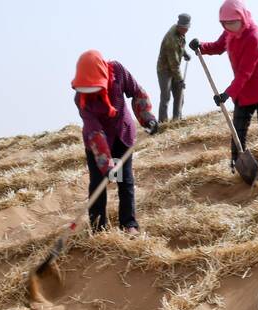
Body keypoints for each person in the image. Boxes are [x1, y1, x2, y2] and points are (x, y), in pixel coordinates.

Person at [72, 50, 159, 235]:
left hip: (122, 133)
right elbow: (95, 132)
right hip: (97, 143)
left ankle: (129, 224)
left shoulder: (117, 71)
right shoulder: (80, 99)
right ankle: (98, 228)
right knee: (98, 183)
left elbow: (137, 92)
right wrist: (107, 166)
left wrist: (147, 118)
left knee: (124, 180)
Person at [191, 0, 258, 170]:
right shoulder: (229, 33)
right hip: (243, 92)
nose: (230, 27)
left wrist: (227, 94)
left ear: (243, 17)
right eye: (225, 23)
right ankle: (237, 167)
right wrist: (200, 47)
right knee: (237, 132)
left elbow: (245, 73)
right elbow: (218, 47)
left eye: (233, 22)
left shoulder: (255, 37)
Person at [157, 13, 193, 123]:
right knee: (166, 96)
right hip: (165, 70)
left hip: (174, 68)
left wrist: (184, 53)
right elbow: (174, 64)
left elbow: (180, 45)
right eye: (185, 28)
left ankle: (177, 119)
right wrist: (180, 80)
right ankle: (163, 122)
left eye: (188, 28)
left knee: (179, 92)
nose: (187, 30)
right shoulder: (171, 40)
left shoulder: (180, 31)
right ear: (180, 26)